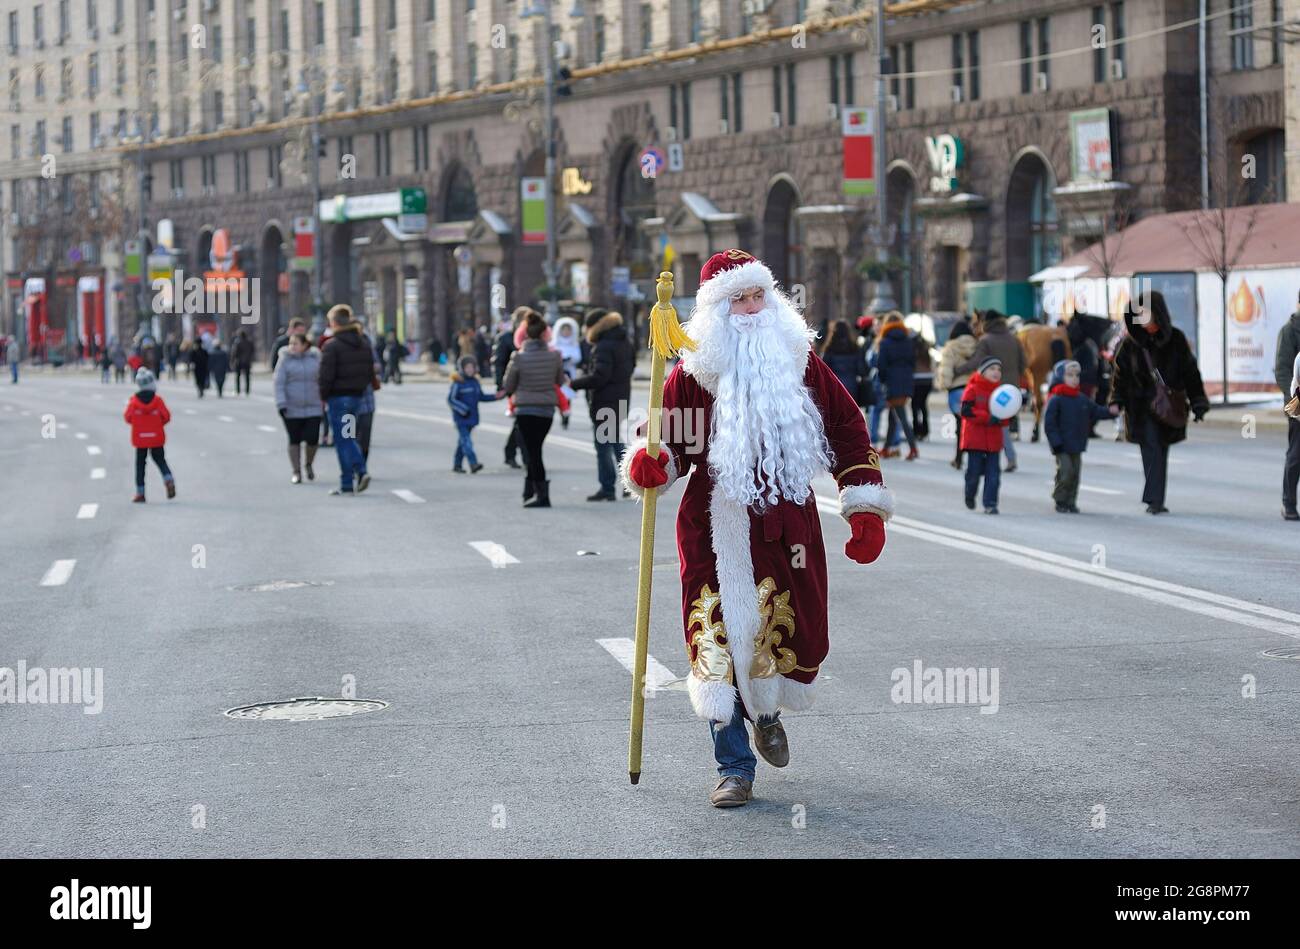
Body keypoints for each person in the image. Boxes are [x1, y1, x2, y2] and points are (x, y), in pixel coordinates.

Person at [621, 249, 892, 809]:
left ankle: (765, 713)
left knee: (787, 632)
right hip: (713, 523)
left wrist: (862, 503)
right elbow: (669, 443)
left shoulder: (801, 360)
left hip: (786, 519)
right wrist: (652, 463)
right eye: (737, 299)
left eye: (756, 296)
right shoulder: (693, 372)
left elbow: (845, 425)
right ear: (715, 312)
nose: (750, 308)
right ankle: (733, 765)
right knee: (715, 638)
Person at [1109, 291, 1208, 515]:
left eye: (1145, 312)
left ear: (1158, 313)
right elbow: (1120, 374)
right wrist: (1116, 399)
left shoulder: (1176, 340)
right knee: (1151, 449)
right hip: (1141, 408)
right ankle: (1155, 500)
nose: (1141, 317)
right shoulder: (1130, 343)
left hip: (1168, 407)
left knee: (1159, 451)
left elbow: (1190, 372)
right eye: (1138, 313)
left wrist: (1199, 401)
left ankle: (1155, 497)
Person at [501, 308, 566, 508]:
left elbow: (508, 386)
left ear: (525, 333)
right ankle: (529, 489)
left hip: (525, 411)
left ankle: (542, 495)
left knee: (533, 453)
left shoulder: (518, 357)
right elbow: (560, 380)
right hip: (546, 411)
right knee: (534, 449)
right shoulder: (554, 356)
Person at [570, 309, 635, 500]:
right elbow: (629, 369)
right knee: (615, 442)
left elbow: (600, 376)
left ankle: (607, 488)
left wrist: (574, 383)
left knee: (603, 447)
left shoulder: (603, 346)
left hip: (605, 401)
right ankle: (629, 482)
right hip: (621, 398)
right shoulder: (624, 341)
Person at [1044, 360, 1120, 513]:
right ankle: (1060, 499)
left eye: (1077, 375)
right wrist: (1055, 442)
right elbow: (1049, 424)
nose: (1074, 379)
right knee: (1065, 472)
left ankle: (1071, 501)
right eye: (1070, 375)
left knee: (1075, 474)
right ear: (1060, 377)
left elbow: (1096, 411)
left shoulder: (1081, 398)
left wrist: (1110, 412)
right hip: (1062, 445)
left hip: (1077, 444)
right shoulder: (1056, 399)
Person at [957, 309, 1027, 472]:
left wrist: (958, 370)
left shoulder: (985, 340)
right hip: (1012, 390)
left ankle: (1003, 458)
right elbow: (1024, 363)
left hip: (992, 390)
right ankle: (1009, 457)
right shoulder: (1014, 339)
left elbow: (977, 362)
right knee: (1003, 424)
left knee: (995, 423)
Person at [317, 305, 372, 496]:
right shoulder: (363, 343)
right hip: (356, 397)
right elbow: (369, 372)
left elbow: (325, 376)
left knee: (343, 440)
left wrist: (323, 396)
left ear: (334, 323)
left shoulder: (331, 346)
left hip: (338, 399)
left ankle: (356, 474)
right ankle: (350, 481)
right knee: (348, 436)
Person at [959, 356, 1010, 514]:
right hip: (975, 440)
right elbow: (966, 411)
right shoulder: (972, 388)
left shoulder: (1001, 392)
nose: (996, 372)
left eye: (998, 370)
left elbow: (1007, 413)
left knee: (994, 474)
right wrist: (988, 418)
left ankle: (990, 503)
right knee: (974, 472)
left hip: (994, 441)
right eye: (992, 369)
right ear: (982, 371)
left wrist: (1003, 419)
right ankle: (970, 493)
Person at [273, 332, 323, 484]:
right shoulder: (284, 360)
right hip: (292, 408)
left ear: (305, 345)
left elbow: (323, 379)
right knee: (294, 440)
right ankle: (296, 471)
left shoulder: (315, 359)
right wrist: (281, 404)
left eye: (296, 343)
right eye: (291, 343)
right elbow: (279, 383)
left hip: (314, 406)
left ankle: (308, 464)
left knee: (313, 439)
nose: (292, 347)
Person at [123, 368, 176, 503]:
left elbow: (127, 417)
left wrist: (139, 423)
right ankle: (168, 478)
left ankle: (140, 493)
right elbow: (166, 417)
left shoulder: (134, 401)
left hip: (140, 438)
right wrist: (156, 424)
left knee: (140, 465)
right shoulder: (158, 400)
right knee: (160, 460)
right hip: (156, 437)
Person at [448, 356, 505, 473]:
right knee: (467, 442)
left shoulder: (475, 382)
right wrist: (463, 410)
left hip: (472, 418)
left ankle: (457, 464)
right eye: (467, 368)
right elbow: (451, 400)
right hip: (461, 419)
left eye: (471, 367)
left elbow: (481, 397)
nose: (469, 370)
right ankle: (473, 463)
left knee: (463, 442)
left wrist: (496, 396)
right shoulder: (458, 383)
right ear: (462, 369)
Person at [875, 311, 919, 460]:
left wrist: (882, 381)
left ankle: (913, 448)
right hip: (906, 381)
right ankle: (887, 448)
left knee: (901, 416)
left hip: (892, 382)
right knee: (893, 416)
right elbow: (913, 362)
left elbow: (881, 365)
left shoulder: (885, 342)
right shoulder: (908, 340)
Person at [936, 318, 977, 470]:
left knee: (960, 426)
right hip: (973, 389)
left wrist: (944, 385)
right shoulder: (976, 345)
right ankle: (973, 457)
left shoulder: (950, 347)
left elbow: (946, 369)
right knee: (972, 425)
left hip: (957, 390)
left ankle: (958, 458)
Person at [1274, 292, 1300, 521]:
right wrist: (1294, 397)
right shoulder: (1289, 332)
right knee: (1297, 454)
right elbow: (1283, 370)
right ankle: (1289, 503)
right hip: (1298, 404)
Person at [493, 313, 524, 469]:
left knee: (523, 421)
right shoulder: (505, 338)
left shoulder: (532, 338)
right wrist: (501, 386)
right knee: (522, 420)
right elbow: (499, 363)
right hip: (513, 385)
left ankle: (512, 451)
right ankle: (519, 454)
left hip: (529, 384)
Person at [819, 319, 869, 412]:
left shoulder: (829, 349)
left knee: (837, 414)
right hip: (852, 386)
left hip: (835, 387)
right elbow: (861, 369)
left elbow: (823, 370)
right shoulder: (855, 348)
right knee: (851, 414)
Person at [912, 326, 934, 440]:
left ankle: (916, 430)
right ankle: (925, 430)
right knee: (923, 405)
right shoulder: (926, 349)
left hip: (916, 379)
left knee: (914, 405)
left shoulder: (913, 350)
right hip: (928, 379)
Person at [232, 329, 255, 395]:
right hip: (247, 361)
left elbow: (234, 352)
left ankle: (238, 390)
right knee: (247, 377)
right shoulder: (249, 342)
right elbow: (252, 351)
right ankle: (247, 390)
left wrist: (232, 360)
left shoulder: (237, 342)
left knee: (238, 377)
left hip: (239, 361)